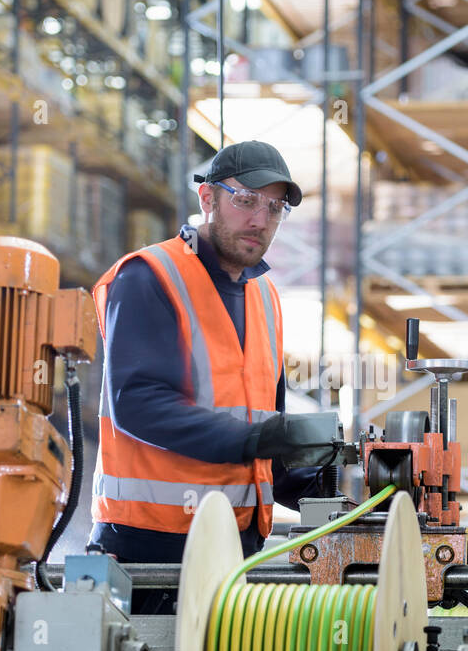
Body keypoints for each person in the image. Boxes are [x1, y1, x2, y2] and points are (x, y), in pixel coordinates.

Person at [87, 140, 329, 612]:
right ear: (207, 199)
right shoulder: (149, 277)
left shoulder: (265, 300)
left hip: (235, 553)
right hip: (148, 555)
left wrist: (340, 485)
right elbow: (138, 404)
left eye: (275, 207)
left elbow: (267, 461)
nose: (260, 220)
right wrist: (259, 438)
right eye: (245, 200)